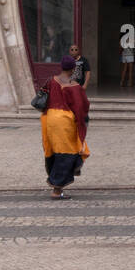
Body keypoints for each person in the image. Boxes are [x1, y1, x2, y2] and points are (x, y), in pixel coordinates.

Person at [40, 56, 90, 199]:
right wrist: (82, 122)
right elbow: (81, 107)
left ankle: (55, 180)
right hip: (64, 122)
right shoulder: (74, 86)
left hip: (49, 119)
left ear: (61, 67)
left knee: (54, 150)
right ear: (73, 68)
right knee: (67, 153)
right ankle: (57, 189)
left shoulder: (51, 80)